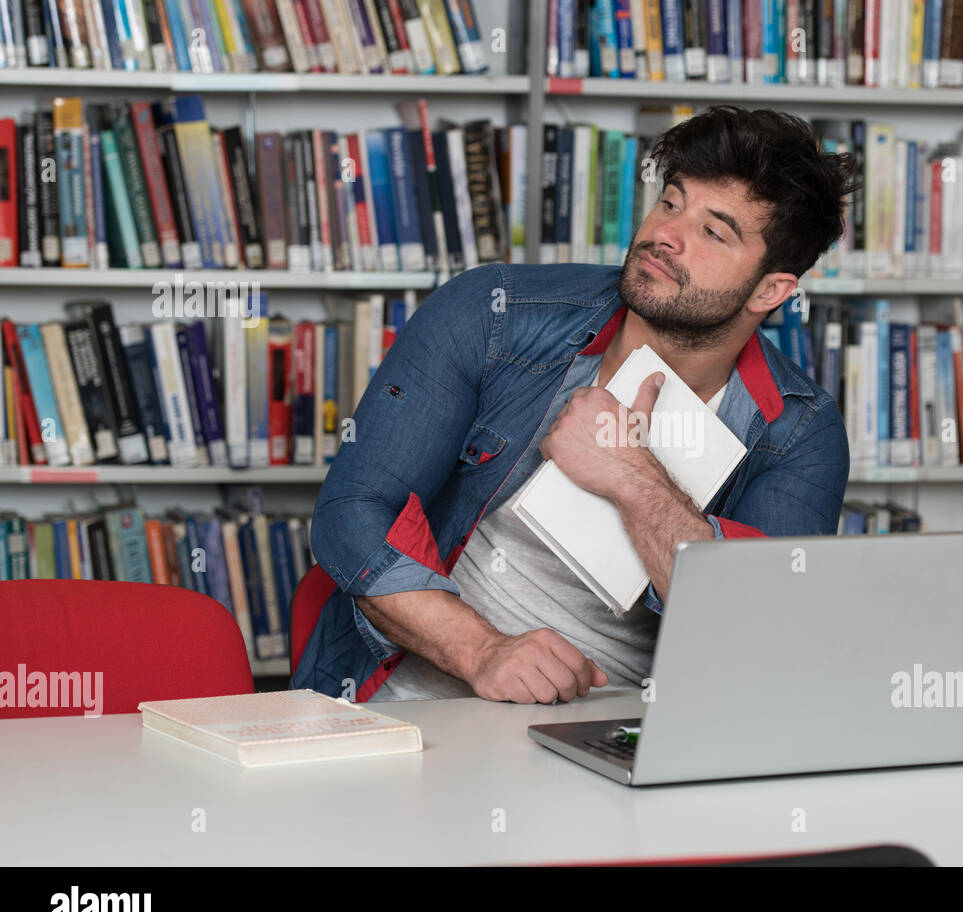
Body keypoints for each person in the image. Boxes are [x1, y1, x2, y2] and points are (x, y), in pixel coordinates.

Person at [291, 105, 858, 705]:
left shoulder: (799, 432)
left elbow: (757, 643)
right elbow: (351, 514)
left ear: (772, 290)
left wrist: (634, 479)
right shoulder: (493, 312)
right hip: (414, 704)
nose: (665, 234)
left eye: (714, 232)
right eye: (670, 202)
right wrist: (482, 651)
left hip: (621, 733)